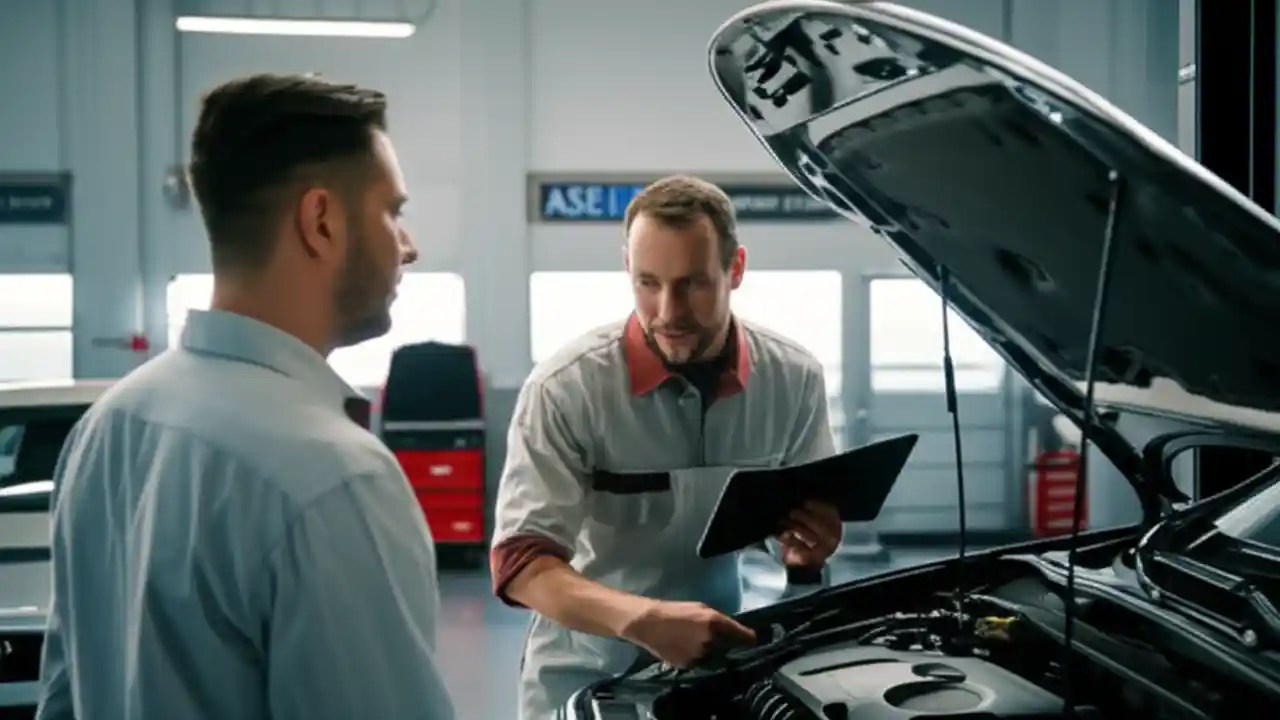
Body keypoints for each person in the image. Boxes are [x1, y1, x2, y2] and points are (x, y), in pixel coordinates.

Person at [35, 73, 455, 720]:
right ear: (320, 222)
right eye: (392, 212)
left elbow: (64, 697)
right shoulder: (334, 478)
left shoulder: (108, 426)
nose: (409, 246)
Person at [490, 174, 845, 718]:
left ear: (736, 269)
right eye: (647, 283)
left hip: (718, 664)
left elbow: (795, 532)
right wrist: (645, 621)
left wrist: (804, 550)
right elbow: (520, 563)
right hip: (583, 672)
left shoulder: (793, 380)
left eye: (692, 284)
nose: (667, 311)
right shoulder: (565, 388)